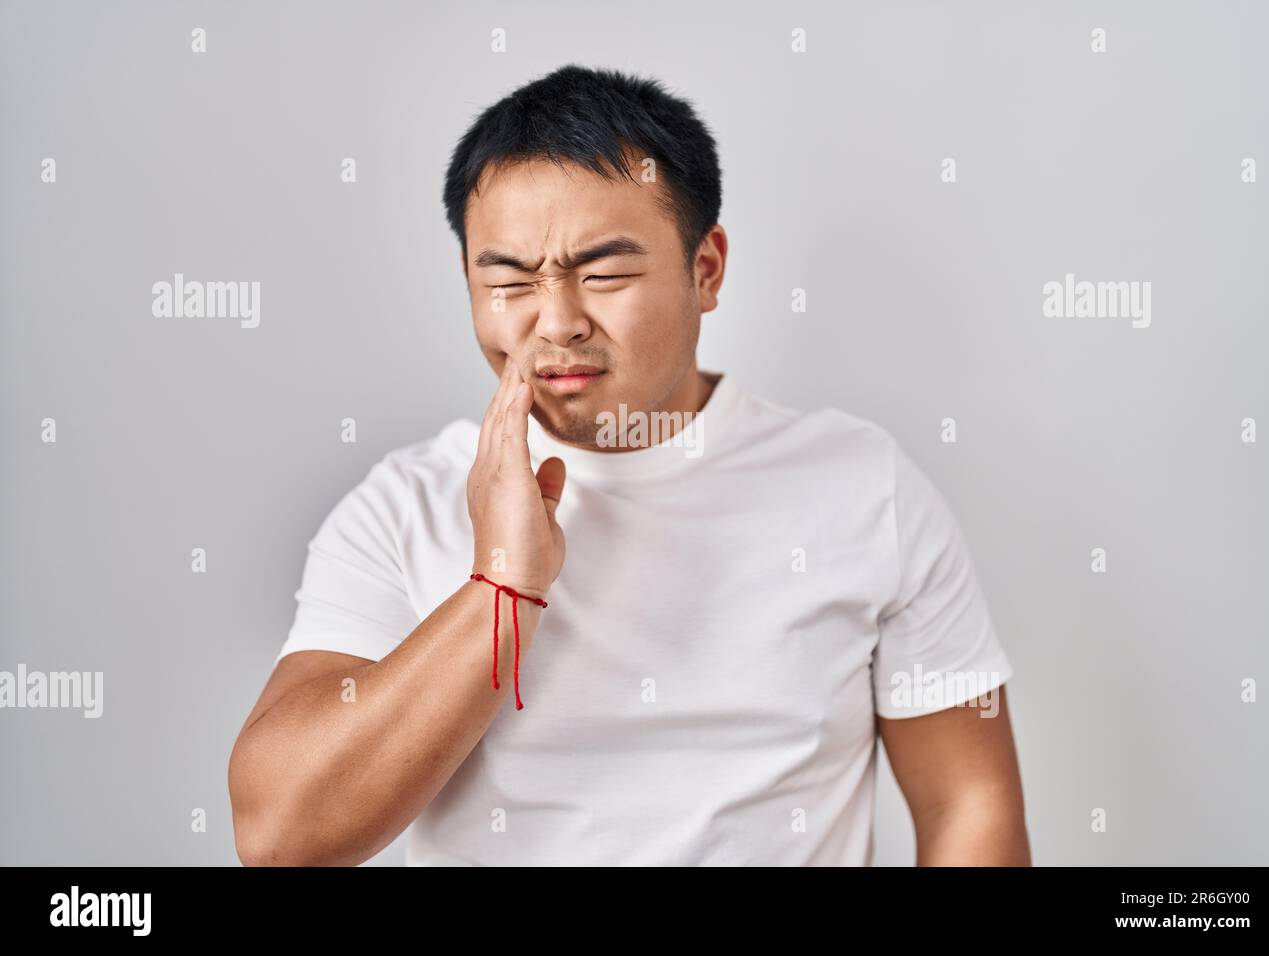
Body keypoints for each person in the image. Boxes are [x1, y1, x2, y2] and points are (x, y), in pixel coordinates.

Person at [228, 64, 1030, 866]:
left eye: (605, 274)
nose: (558, 322)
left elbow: (969, 803)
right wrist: (503, 584)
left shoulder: (861, 485)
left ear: (705, 268)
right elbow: (280, 836)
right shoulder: (401, 507)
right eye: (507, 279)